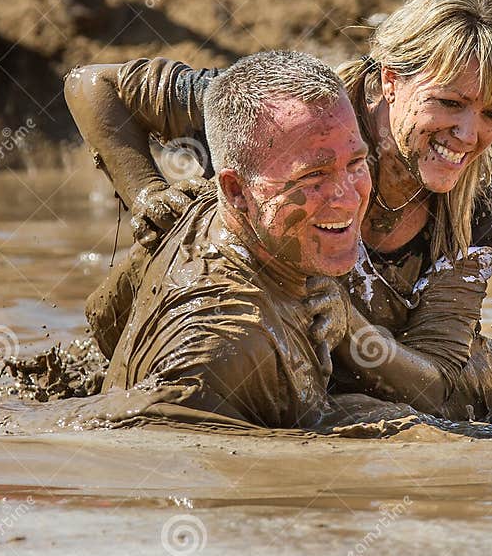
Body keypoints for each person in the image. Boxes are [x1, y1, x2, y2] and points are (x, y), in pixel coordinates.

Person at [66, 0, 492, 422]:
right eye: (449, 103)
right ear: (392, 81)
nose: (468, 134)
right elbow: (94, 86)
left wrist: (353, 332)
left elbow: (439, 386)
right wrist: (147, 195)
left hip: (369, 376)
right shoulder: (293, 112)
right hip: (217, 334)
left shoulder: (476, 208)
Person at [90, 49, 371, 428]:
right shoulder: (226, 342)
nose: (349, 197)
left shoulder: (203, 210)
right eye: (313, 176)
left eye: (356, 164)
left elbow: (102, 315)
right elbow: (148, 447)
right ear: (237, 191)